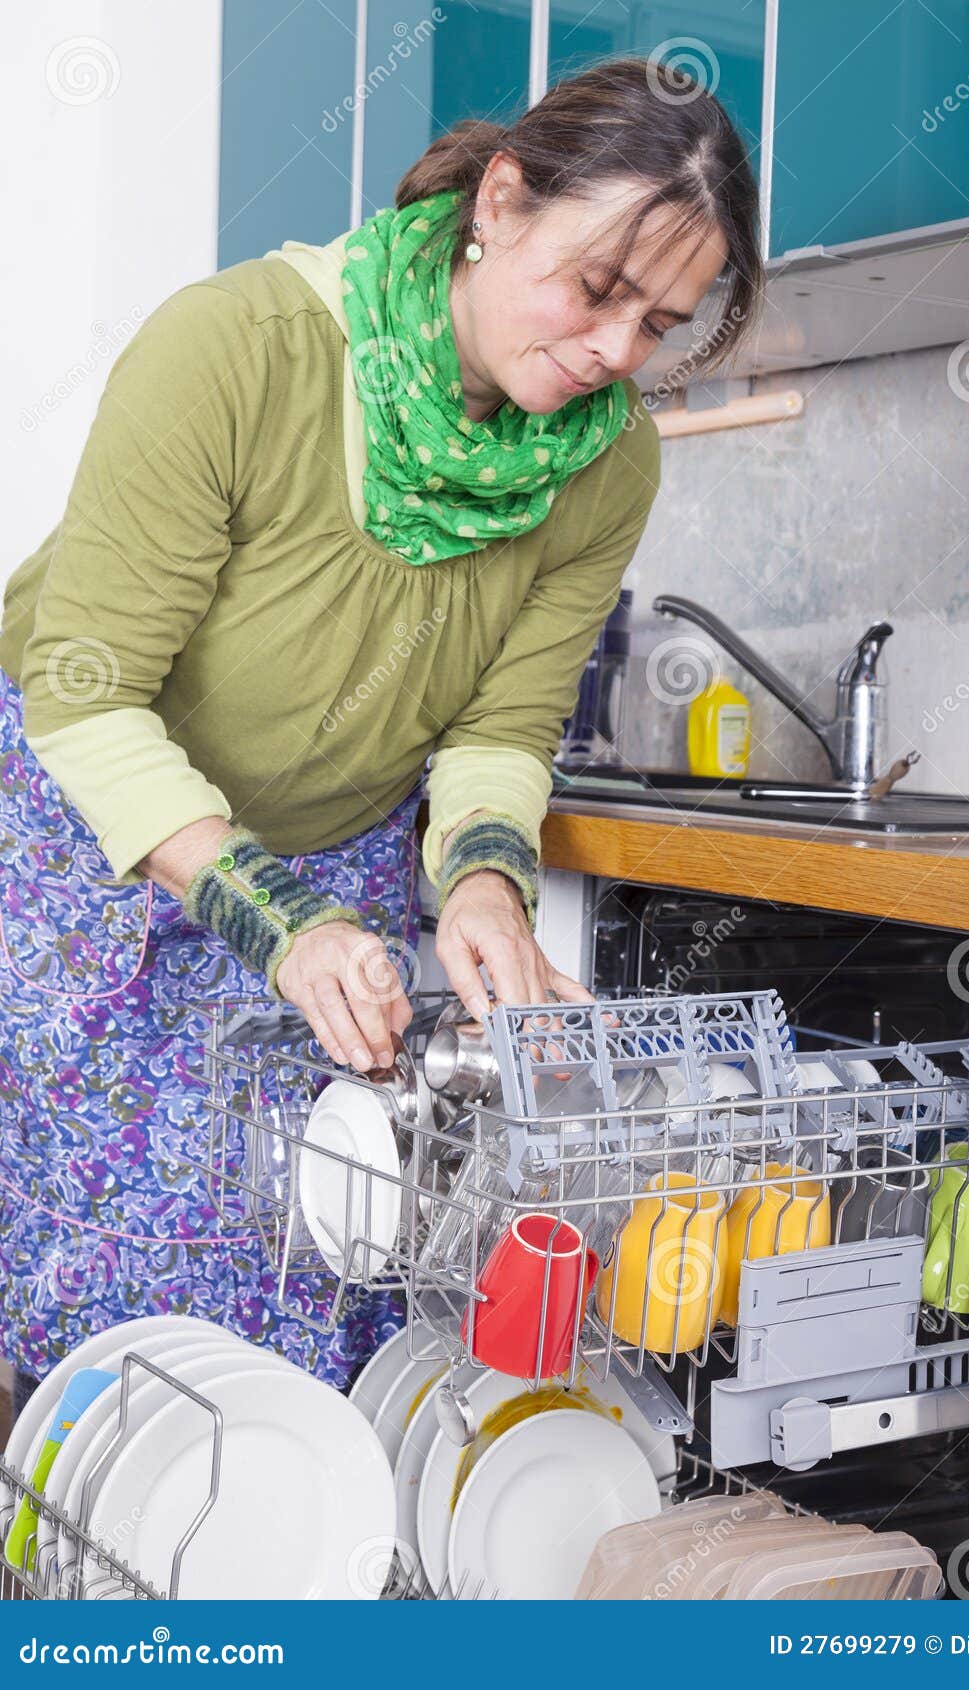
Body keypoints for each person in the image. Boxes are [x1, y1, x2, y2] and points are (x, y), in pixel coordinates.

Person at [0, 56, 762, 1410]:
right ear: (503, 201)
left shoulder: (606, 463)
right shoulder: (237, 350)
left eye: (663, 324)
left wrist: (481, 880)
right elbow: (85, 688)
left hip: (331, 871)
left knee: (308, 1272)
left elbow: (499, 727)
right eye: (600, 290)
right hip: (86, 854)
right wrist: (273, 920)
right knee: (92, 1317)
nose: (615, 354)